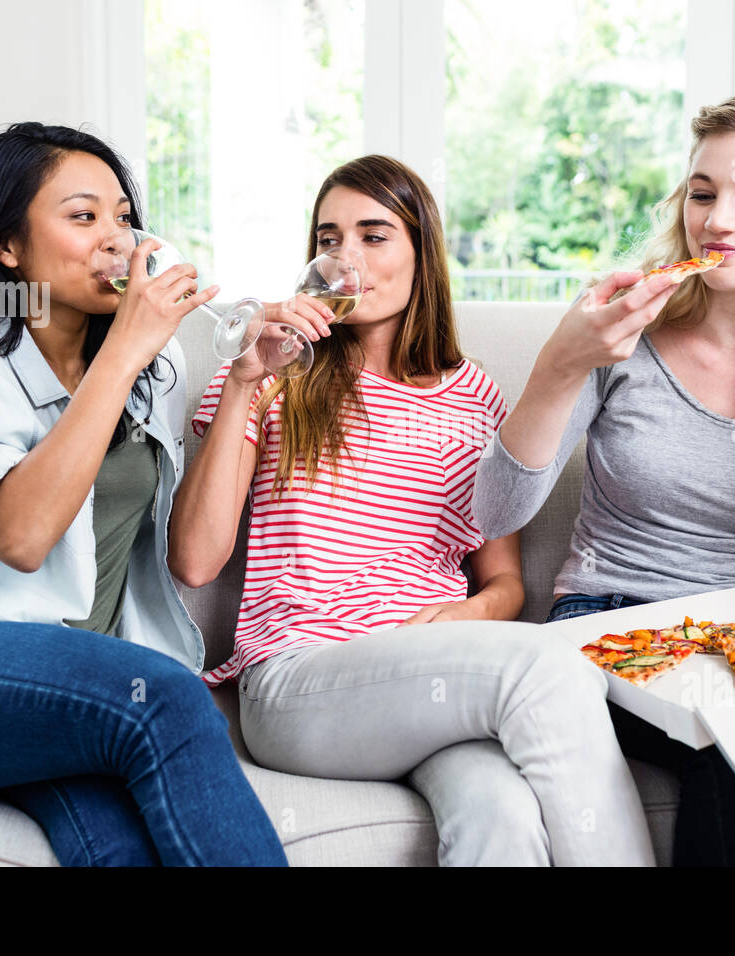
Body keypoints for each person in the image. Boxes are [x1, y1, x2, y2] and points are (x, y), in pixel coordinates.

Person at [0, 122, 287, 867]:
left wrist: (241, 385)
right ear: (8, 246)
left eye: (124, 218)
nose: (119, 240)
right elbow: (23, 534)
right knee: (165, 695)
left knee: (122, 848)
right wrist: (131, 344)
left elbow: (195, 562)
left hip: (64, 692)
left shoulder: (148, 375)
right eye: (83, 216)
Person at [169, 154, 655, 866]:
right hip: (301, 678)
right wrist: (248, 378)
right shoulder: (276, 373)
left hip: (434, 680)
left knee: (504, 816)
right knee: (546, 669)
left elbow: (505, 584)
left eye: (374, 235)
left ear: (420, 252)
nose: (347, 258)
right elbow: (195, 559)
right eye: (329, 239)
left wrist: (464, 617)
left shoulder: (476, 399)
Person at [473, 88, 735, 866]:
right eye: (703, 194)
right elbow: (493, 510)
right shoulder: (624, 332)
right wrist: (561, 365)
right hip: (606, 627)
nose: (718, 220)